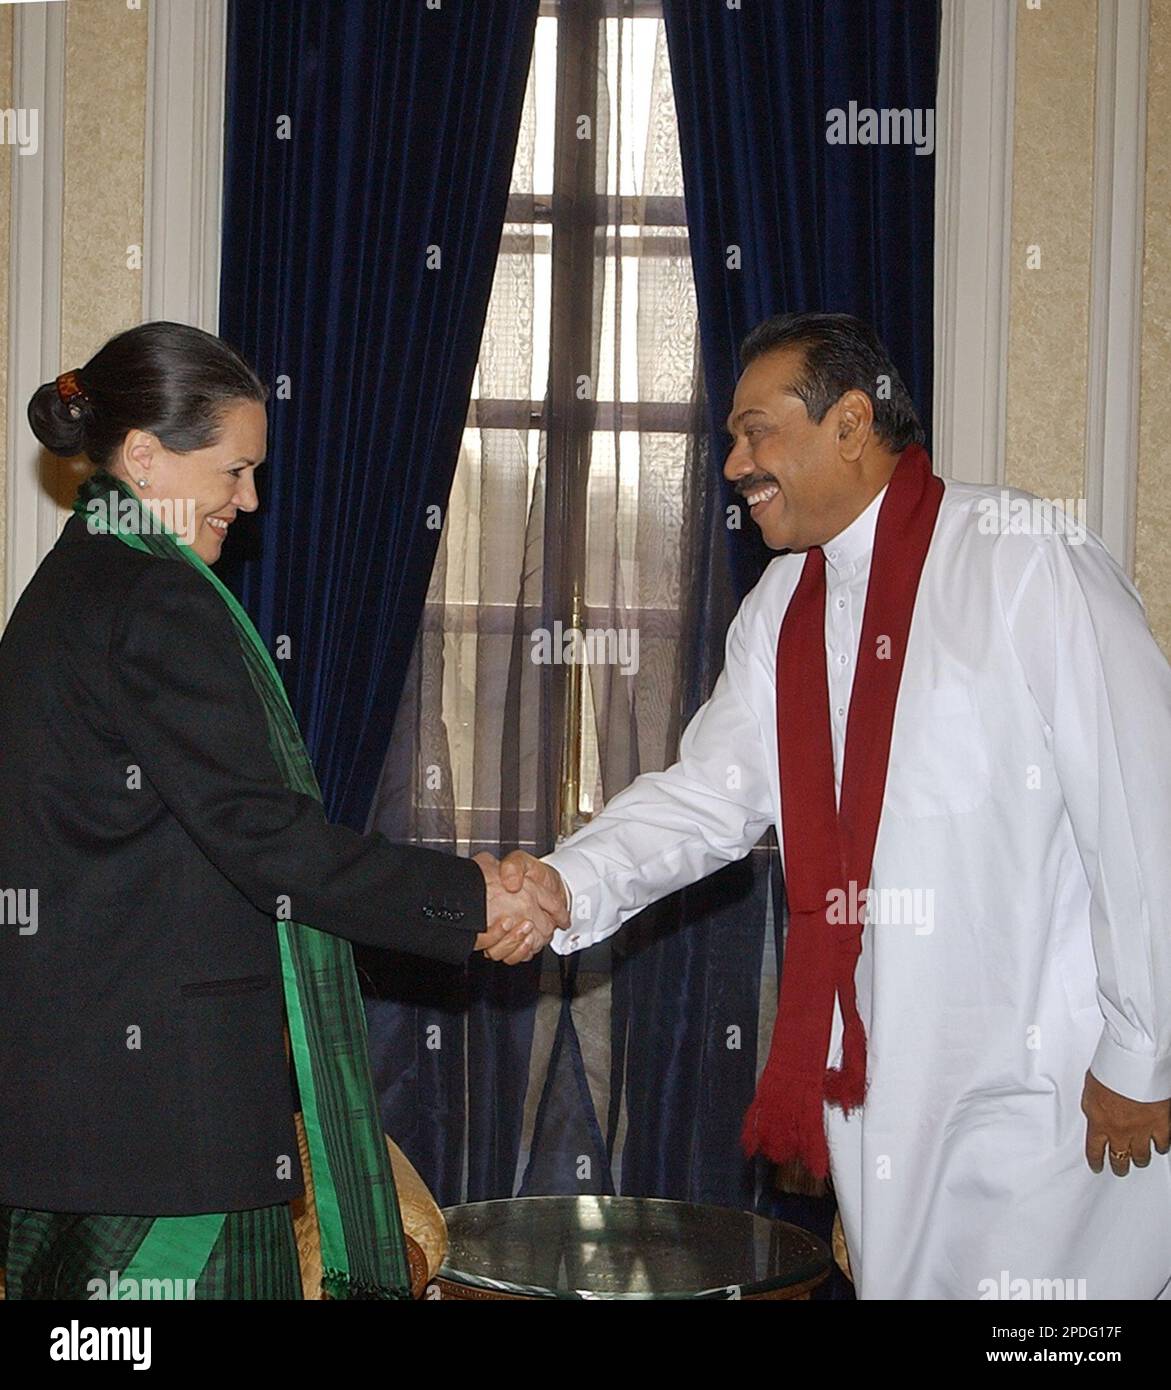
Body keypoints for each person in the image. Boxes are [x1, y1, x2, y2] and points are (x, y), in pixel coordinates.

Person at [495, 312, 1171, 1300]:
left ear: (851, 422)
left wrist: (1140, 1048)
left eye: (755, 430)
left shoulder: (1023, 561)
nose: (733, 463)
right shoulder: (778, 609)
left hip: (1056, 1093)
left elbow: (1141, 803)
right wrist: (562, 882)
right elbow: (705, 801)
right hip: (884, 1089)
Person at [0, 321, 564, 1300]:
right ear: (143, 456)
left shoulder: (72, 581)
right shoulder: (156, 601)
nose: (249, 500)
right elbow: (272, 842)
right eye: (233, 471)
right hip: (166, 1132)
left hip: (81, 1123)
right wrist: (472, 897)